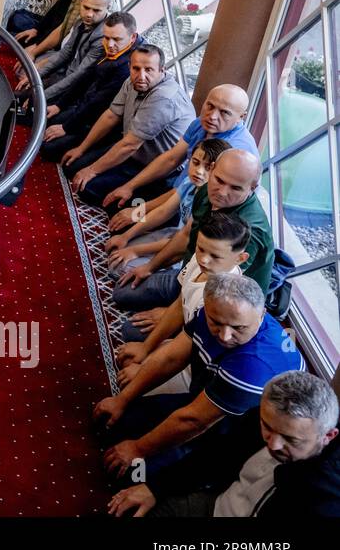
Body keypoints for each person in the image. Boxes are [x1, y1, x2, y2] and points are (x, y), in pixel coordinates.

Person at [94, 272, 303, 479]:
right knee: (111, 425)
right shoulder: (218, 309)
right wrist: (122, 399)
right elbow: (171, 358)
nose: (225, 336)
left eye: (238, 328)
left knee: (131, 473)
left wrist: (137, 449)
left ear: (262, 315)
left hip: (234, 435)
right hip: (210, 395)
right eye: (217, 323)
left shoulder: (255, 365)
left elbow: (194, 421)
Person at [109, 371, 338, 517]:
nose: (273, 444)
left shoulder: (325, 499)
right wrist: (154, 489)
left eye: (291, 439)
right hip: (215, 504)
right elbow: (212, 457)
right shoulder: (260, 417)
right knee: (127, 499)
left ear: (328, 436)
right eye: (267, 427)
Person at [114, 149, 275, 357]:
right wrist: (149, 267)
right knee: (121, 290)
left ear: (252, 188)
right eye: (219, 180)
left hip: (217, 304)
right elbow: (185, 235)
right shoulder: (207, 190)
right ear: (213, 168)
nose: (222, 192)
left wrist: (172, 314)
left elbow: (219, 296)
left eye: (235, 188)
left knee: (130, 331)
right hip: (189, 274)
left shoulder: (249, 232)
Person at [115, 210, 250, 377]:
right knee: (127, 317)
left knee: (129, 363)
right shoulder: (200, 260)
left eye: (215, 256)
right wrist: (146, 348)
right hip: (186, 336)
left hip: (198, 360)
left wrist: (144, 365)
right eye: (201, 249)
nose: (203, 259)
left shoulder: (222, 302)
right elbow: (180, 304)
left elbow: (187, 350)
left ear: (240, 259)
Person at [60, 44, 196, 206]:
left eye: (149, 70)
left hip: (154, 166)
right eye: (136, 68)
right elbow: (111, 116)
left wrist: (92, 170)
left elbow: (130, 145)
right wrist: (81, 149)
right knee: (72, 167)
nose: (141, 75)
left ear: (162, 70)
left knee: (88, 190)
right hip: (133, 150)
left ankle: (141, 199)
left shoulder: (164, 97)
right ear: (129, 67)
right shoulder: (131, 82)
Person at [102, 84, 257, 212]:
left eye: (224, 112)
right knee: (107, 195)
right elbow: (171, 159)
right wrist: (129, 187)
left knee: (128, 215)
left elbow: (189, 193)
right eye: (210, 106)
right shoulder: (200, 123)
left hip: (189, 207)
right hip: (175, 188)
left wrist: (141, 210)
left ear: (241, 117)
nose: (212, 116)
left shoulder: (235, 151)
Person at [104, 137, 231, 287]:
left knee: (121, 268)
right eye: (195, 163)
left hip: (183, 253)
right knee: (116, 250)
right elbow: (163, 211)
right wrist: (126, 237)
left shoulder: (212, 202)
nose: (199, 171)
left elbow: (183, 243)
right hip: (173, 234)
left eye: (208, 168)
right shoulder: (189, 183)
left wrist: (136, 251)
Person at [40, 11, 137, 157]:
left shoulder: (128, 67)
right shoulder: (115, 48)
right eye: (106, 38)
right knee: (43, 118)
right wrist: (60, 105)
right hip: (86, 104)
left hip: (101, 121)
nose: (110, 45)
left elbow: (100, 102)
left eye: (116, 39)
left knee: (48, 148)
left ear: (133, 37)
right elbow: (86, 77)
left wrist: (66, 127)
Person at [16, 0, 112, 104]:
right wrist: (36, 76)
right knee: (20, 92)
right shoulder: (80, 21)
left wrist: (43, 96)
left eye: (96, 10)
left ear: (108, 8)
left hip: (78, 89)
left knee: (31, 106)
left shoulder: (104, 36)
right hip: (64, 73)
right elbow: (65, 53)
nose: (89, 14)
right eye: (86, 7)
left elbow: (79, 75)